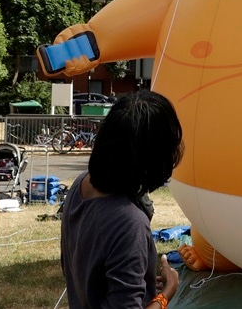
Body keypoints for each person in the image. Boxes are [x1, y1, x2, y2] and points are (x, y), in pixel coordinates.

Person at [61, 90, 185, 309]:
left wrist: (137, 279)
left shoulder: (82, 185)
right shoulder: (130, 223)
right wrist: (167, 293)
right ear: (154, 156)